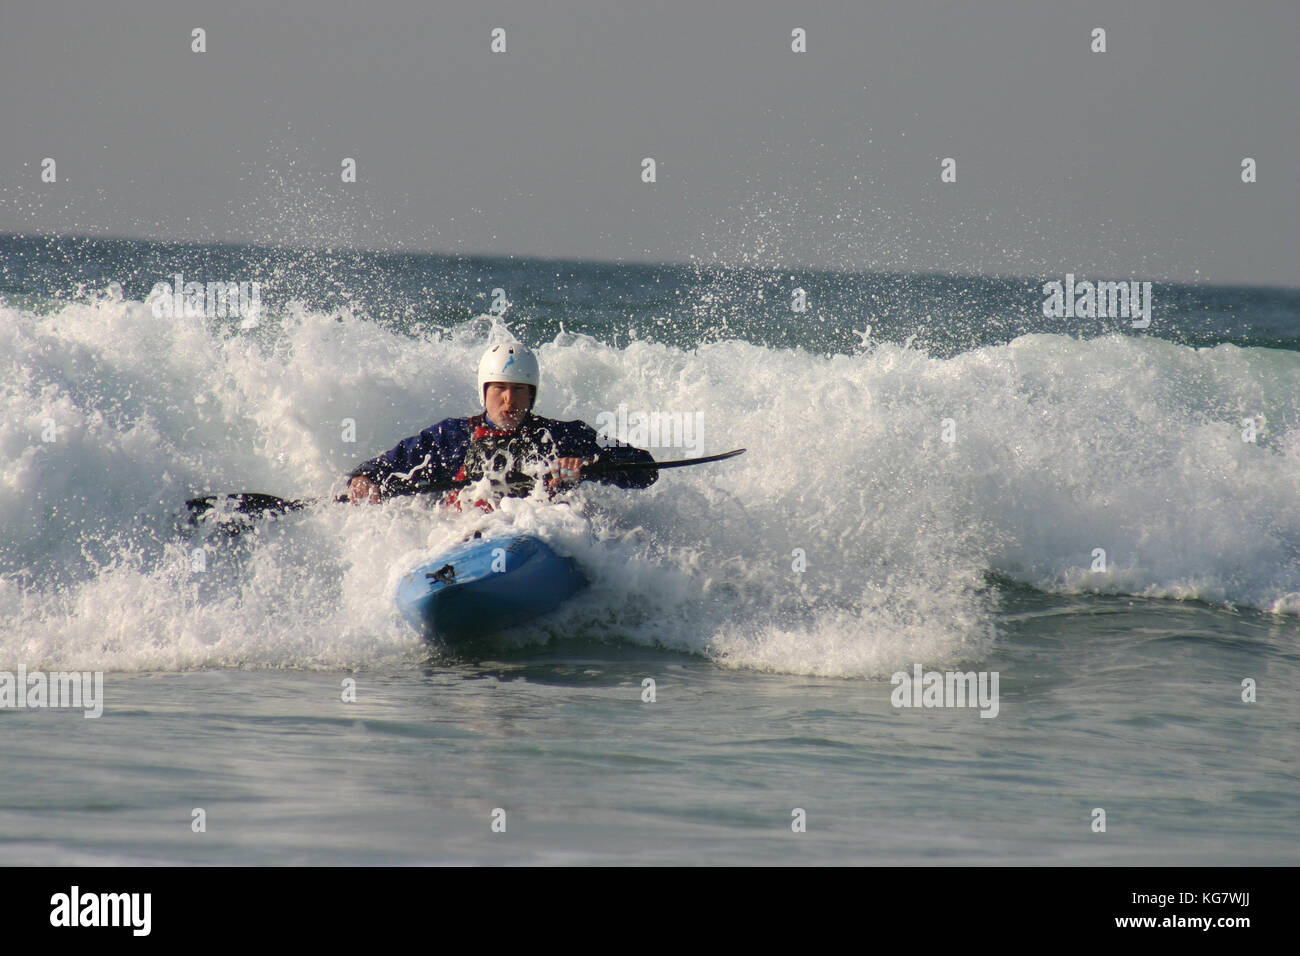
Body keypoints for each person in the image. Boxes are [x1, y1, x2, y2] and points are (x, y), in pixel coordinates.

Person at [346, 343, 657, 506]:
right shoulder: (450, 437)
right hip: (466, 536)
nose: (510, 400)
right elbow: (384, 466)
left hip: (534, 537)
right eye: (500, 389)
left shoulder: (563, 436)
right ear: (485, 391)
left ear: (532, 393)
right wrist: (364, 479)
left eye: (520, 389)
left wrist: (588, 464)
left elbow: (646, 470)